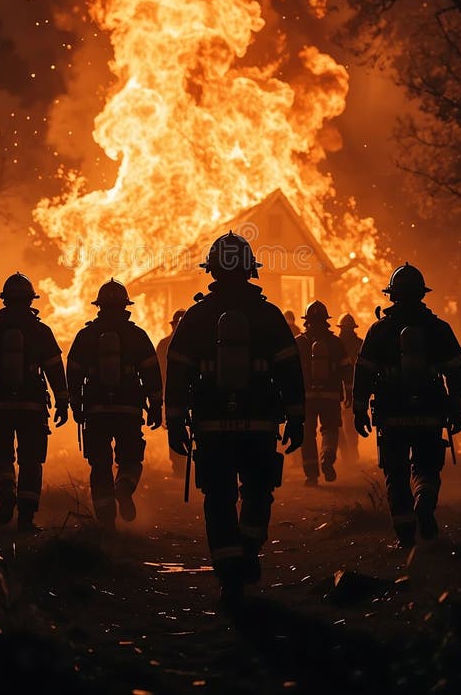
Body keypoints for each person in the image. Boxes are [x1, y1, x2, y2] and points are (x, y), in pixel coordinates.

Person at [165, 231, 305, 606]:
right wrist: (296, 418)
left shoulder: (195, 317)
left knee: (218, 496)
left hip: (211, 426)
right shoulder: (270, 315)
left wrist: (175, 423)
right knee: (258, 490)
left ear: (211, 270)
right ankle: (248, 546)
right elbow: (291, 370)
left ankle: (229, 574)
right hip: (260, 424)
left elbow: (177, 374)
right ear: (249, 269)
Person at [352, 263, 461, 549]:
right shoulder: (439, 329)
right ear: (421, 294)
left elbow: (363, 371)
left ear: (392, 296)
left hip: (392, 414)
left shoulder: (379, 330)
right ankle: (424, 501)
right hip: (430, 411)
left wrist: (359, 408)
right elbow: (456, 371)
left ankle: (405, 537)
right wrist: (457, 407)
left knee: (396, 472)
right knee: (427, 467)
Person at [0, 272, 69, 533]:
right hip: (32, 407)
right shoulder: (41, 331)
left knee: (0, 457)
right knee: (31, 461)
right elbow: (55, 369)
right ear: (31, 300)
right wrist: (63, 402)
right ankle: (26, 518)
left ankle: (7, 494)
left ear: (5, 299)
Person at [67, 278, 163, 530]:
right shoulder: (137, 336)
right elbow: (152, 373)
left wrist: (75, 403)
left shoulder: (86, 335)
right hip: (129, 409)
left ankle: (107, 521)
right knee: (130, 458)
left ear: (99, 306)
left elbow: (73, 371)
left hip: (96, 411)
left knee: (100, 464)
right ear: (125, 305)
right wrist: (155, 405)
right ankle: (124, 487)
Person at [295, 300, 353, 486]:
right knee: (329, 430)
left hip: (306, 397)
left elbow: (290, 372)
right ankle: (327, 457)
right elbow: (346, 369)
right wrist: (349, 392)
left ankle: (312, 475)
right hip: (331, 396)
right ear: (326, 320)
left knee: (307, 434)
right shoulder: (335, 342)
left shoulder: (299, 343)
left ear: (306, 320)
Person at [156, 309, 187, 477]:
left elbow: (156, 373)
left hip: (172, 395)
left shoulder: (163, 344)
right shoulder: (198, 343)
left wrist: (157, 399)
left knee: (175, 427)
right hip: (189, 396)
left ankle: (179, 468)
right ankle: (182, 468)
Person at [336, 312, 362, 467]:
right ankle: (352, 451)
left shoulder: (334, 344)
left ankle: (346, 453)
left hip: (336, 390)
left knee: (338, 423)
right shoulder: (360, 344)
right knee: (351, 422)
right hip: (356, 388)